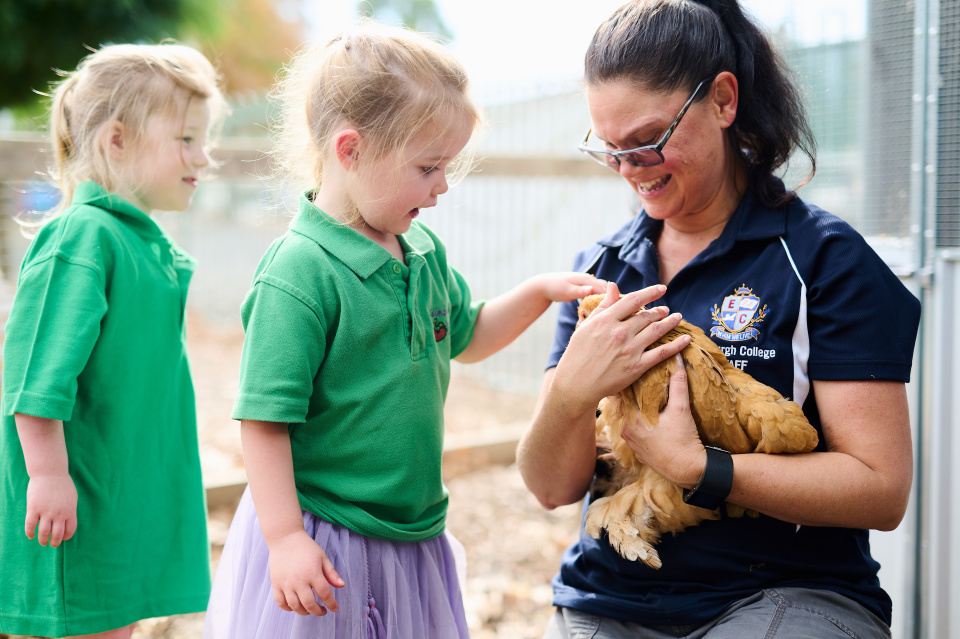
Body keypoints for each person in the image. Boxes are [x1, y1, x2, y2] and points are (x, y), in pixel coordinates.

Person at [516, 0, 921, 637]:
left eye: (648, 141)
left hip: (785, 587)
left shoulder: (824, 261)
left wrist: (703, 469)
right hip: (612, 594)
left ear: (723, 101)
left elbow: (880, 488)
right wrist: (569, 393)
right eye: (612, 149)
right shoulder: (603, 272)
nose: (630, 170)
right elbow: (550, 488)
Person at [202, 22, 605, 639]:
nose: (443, 185)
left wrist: (539, 292)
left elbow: (467, 334)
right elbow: (264, 420)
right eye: (428, 167)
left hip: (411, 534)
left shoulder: (421, 251)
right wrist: (283, 540)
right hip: (324, 535)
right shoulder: (299, 273)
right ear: (350, 150)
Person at [0, 43, 224, 638]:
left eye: (205, 141)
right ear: (117, 140)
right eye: (186, 139)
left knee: (114, 625)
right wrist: (47, 476)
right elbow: (34, 376)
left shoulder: (140, 242)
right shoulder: (83, 236)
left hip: (116, 492)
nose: (204, 157)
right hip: (75, 497)